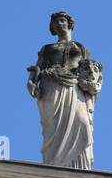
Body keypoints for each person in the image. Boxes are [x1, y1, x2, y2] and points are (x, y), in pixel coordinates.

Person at [26, 11, 103, 169]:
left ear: (69, 24)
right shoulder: (47, 48)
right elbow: (37, 68)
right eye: (56, 23)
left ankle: (79, 166)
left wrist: (91, 82)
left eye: (62, 20)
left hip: (74, 86)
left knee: (81, 122)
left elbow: (90, 69)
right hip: (51, 86)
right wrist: (31, 82)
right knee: (54, 127)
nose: (59, 24)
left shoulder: (80, 47)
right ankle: (54, 164)